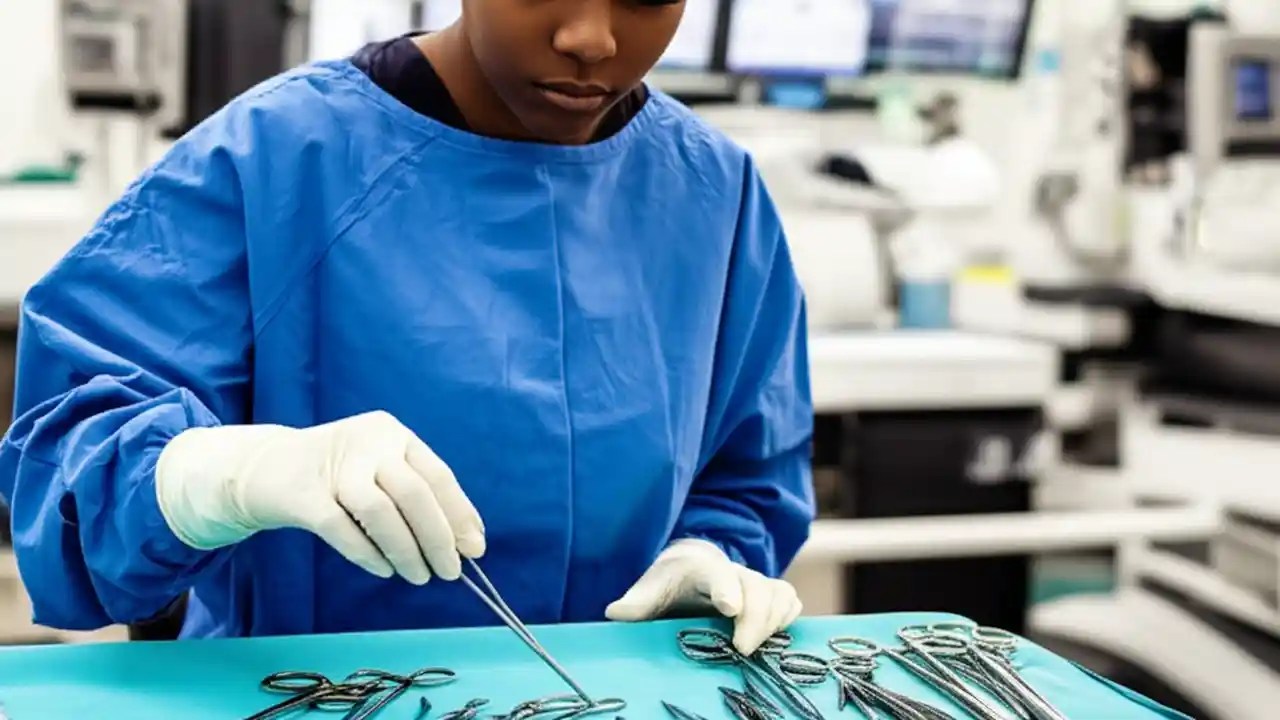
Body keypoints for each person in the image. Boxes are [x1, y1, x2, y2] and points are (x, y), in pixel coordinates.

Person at [0, 0, 814, 655]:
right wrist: (221, 476)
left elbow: (748, 471)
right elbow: (65, 472)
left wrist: (714, 555)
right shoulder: (279, 158)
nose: (589, 38)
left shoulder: (715, 194)